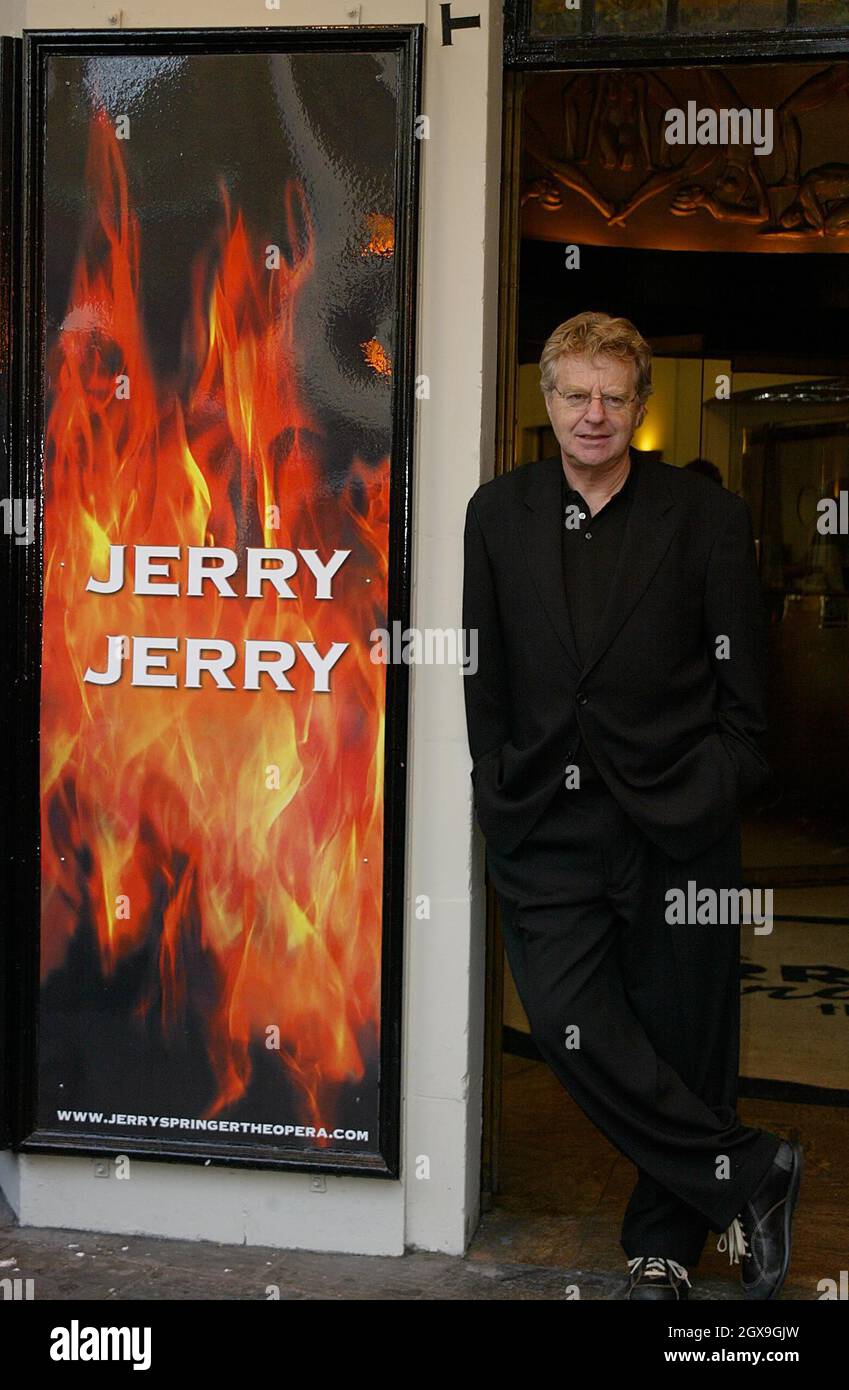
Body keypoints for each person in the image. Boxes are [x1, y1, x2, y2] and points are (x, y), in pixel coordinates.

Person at [461, 311, 802, 1301]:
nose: (594, 414)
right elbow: (484, 673)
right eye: (575, 394)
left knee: (680, 1038)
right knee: (574, 1024)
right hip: (544, 826)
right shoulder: (498, 513)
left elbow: (749, 703)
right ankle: (754, 1170)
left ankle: (662, 1250)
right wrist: (500, 786)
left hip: (674, 826)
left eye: (614, 395)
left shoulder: (705, 519)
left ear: (641, 404)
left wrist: (709, 791)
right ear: (548, 401)